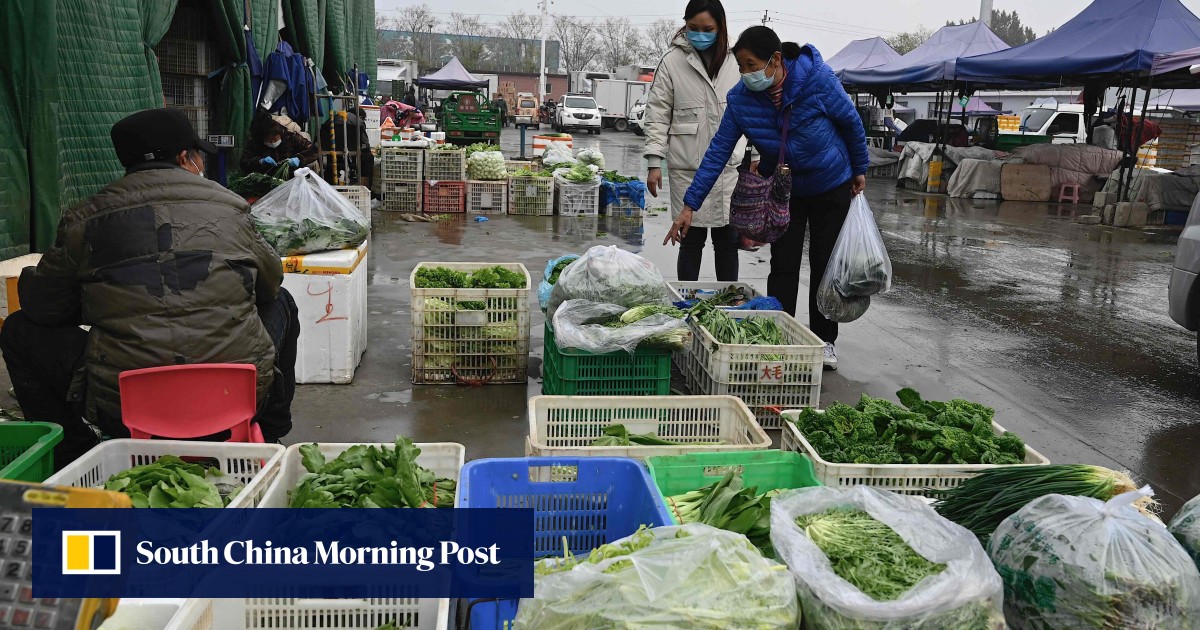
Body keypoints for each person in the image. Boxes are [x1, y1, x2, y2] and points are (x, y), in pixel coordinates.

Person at [1, 108, 300, 465]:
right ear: (184, 157)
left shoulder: (85, 217)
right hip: (236, 397)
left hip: (123, 408)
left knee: (19, 329)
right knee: (282, 301)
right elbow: (270, 284)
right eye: (198, 154)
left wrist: (99, 300)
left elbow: (44, 307)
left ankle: (75, 454)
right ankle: (270, 431)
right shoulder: (230, 206)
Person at [666, 26, 869, 370]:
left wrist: (859, 168)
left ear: (776, 60)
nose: (746, 74)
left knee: (824, 263)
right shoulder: (742, 100)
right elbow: (717, 152)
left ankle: (824, 340)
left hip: (831, 183)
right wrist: (690, 205)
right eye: (741, 66)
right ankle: (780, 331)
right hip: (785, 190)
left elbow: (851, 123)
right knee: (783, 263)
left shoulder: (818, 80)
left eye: (751, 65)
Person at [645, 0, 750, 282]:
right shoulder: (672, 61)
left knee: (727, 240)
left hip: (728, 169)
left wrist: (757, 158)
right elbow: (657, 113)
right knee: (690, 240)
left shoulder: (735, 61)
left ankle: (729, 299)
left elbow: (753, 112)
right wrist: (654, 162)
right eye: (693, 28)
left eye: (708, 29)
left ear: (720, 28)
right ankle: (687, 299)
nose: (700, 35)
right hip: (686, 167)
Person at [240, 112, 320, 175]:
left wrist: (300, 159)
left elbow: (314, 150)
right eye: (269, 140)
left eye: (274, 139)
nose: (272, 142)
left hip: (293, 177)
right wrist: (260, 161)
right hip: (266, 180)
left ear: (279, 134)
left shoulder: (291, 137)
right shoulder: (255, 143)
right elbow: (243, 163)